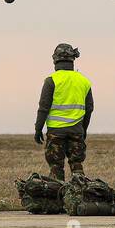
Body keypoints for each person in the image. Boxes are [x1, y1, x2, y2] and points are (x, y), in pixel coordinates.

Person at [33, 42, 93, 183]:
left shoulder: (51, 81)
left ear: (55, 60)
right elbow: (89, 108)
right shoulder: (84, 81)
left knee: (56, 166)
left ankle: (57, 199)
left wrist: (38, 129)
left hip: (56, 132)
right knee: (77, 165)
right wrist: (83, 129)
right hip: (77, 130)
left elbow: (43, 107)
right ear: (73, 60)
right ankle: (79, 198)